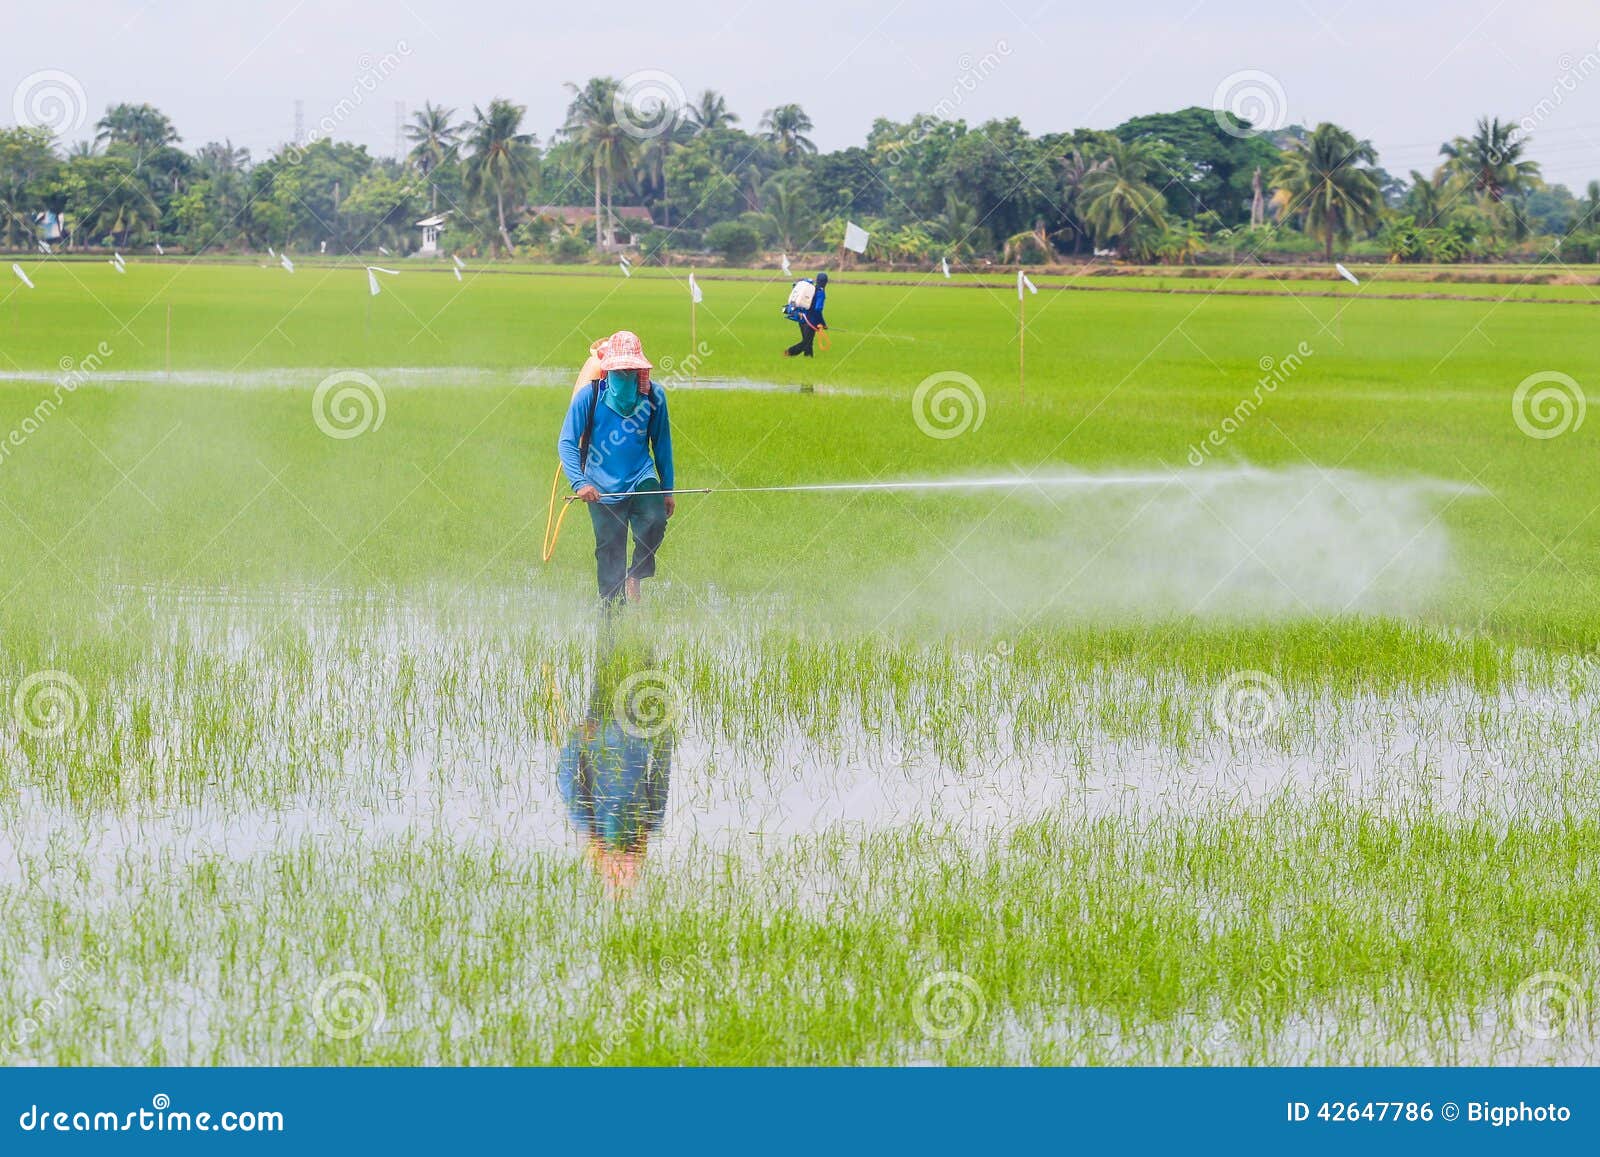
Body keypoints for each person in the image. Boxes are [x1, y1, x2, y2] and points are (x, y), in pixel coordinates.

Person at [557, 330, 676, 605]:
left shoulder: (654, 397)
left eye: (631, 369)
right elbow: (566, 443)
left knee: (655, 521)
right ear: (608, 369)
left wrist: (667, 490)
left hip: (640, 475)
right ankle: (612, 610)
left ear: (639, 370)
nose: (625, 374)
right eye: (619, 369)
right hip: (598, 483)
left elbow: (662, 444)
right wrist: (580, 483)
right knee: (609, 550)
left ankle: (635, 574)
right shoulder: (590, 396)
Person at [557, 643, 675, 895]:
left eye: (620, 850)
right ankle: (635, 610)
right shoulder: (650, 822)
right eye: (628, 850)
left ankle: (613, 605)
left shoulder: (586, 821)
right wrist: (665, 735)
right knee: (644, 665)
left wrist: (576, 739)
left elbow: (566, 776)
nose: (623, 846)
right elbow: (661, 774)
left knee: (608, 660)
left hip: (600, 726)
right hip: (638, 726)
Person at [784, 271, 828, 357]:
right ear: (825, 282)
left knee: (808, 342)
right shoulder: (820, 293)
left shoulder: (811, 290)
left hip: (801, 319)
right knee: (806, 342)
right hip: (810, 321)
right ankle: (788, 352)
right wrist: (822, 323)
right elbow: (818, 309)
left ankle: (808, 358)